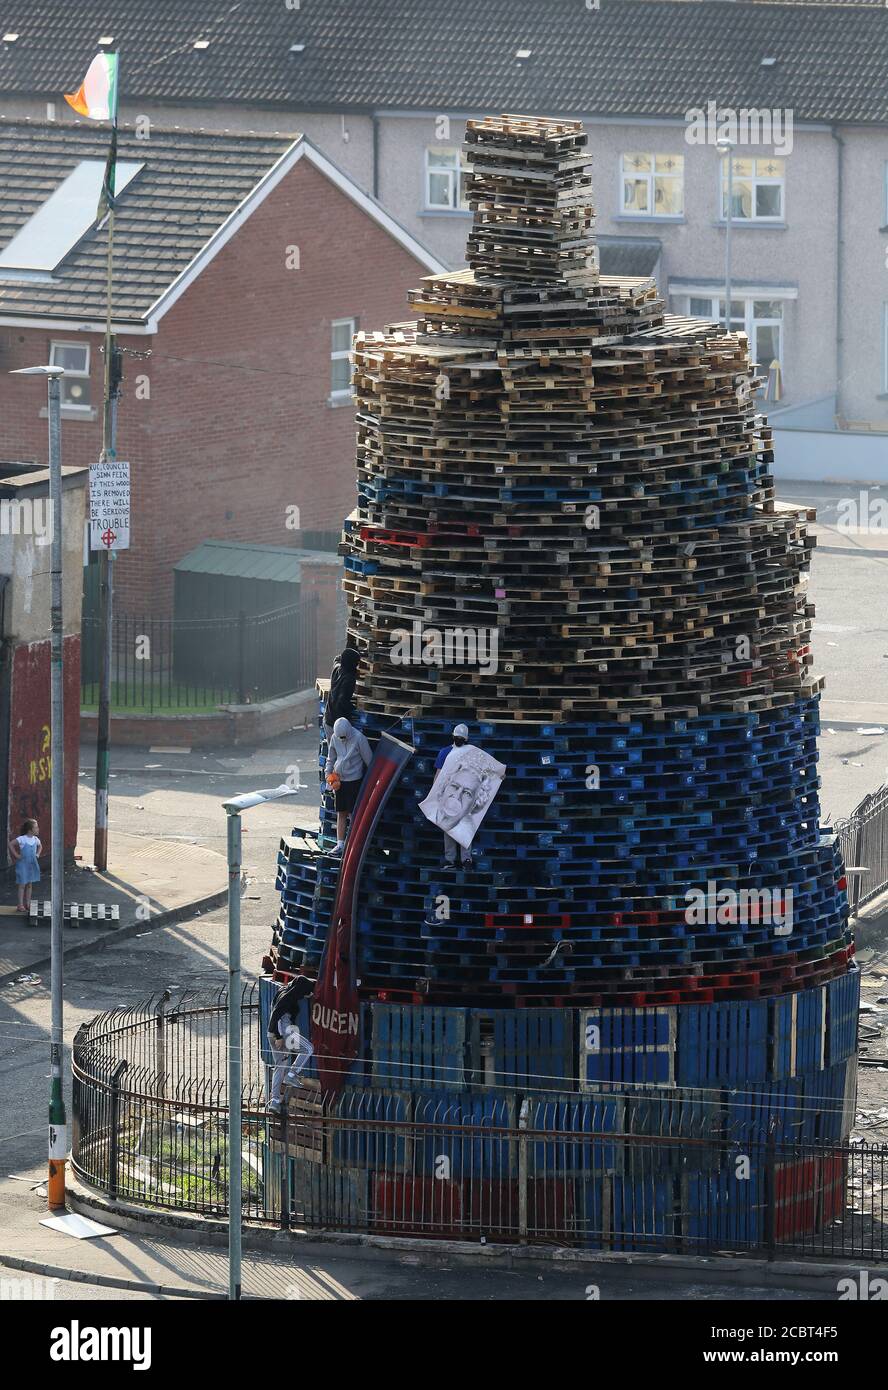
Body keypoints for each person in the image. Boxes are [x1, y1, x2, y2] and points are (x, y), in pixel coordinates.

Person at [267, 975, 315, 1114]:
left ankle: (274, 1102)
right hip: (282, 1031)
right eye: (307, 991)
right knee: (308, 1049)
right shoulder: (288, 997)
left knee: (280, 1066)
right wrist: (279, 1036)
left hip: (273, 1034)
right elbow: (277, 1014)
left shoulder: (283, 991)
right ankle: (292, 1074)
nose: (309, 994)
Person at [325, 716, 373, 854]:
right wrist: (329, 774)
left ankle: (354, 843)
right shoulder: (335, 737)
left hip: (354, 781)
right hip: (339, 780)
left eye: (343, 737)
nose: (341, 739)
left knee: (353, 813)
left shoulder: (359, 738)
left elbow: (368, 760)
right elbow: (331, 757)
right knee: (341, 812)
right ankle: (340, 844)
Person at [432, 724, 474, 869]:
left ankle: (465, 859)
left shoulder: (472, 754)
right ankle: (450, 859)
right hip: (449, 795)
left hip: (464, 795)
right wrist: (435, 794)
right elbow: (438, 775)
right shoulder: (445, 753)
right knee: (448, 826)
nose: (459, 740)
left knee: (464, 827)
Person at [324, 647, 362, 737]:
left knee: (332, 749)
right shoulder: (349, 678)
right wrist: (355, 709)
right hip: (339, 725)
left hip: (328, 718)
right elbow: (343, 701)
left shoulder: (336, 669)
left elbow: (336, 660)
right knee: (341, 750)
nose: (357, 665)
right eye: (356, 663)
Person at [9, 818, 41, 915]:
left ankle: (28, 903)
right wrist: (16, 855)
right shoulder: (22, 839)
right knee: (22, 885)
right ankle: (20, 904)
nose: (38, 829)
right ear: (30, 830)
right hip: (22, 866)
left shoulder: (36, 839)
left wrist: (38, 854)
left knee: (29, 885)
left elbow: (40, 846)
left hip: (31, 866)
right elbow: (11, 844)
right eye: (36, 827)